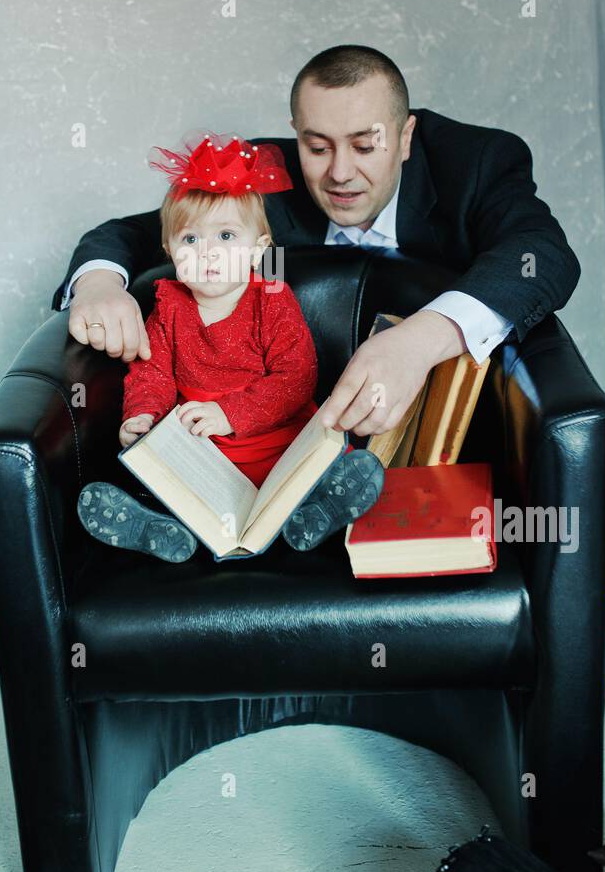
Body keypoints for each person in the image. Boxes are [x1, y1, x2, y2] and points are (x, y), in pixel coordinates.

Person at [53, 44, 581, 439]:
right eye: (317, 147)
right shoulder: (265, 181)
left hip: (450, 439)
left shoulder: (477, 162)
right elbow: (131, 233)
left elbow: (543, 254)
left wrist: (419, 341)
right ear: (295, 133)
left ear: (405, 138)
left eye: (365, 145)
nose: (340, 173)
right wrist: (98, 283)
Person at [77, 131, 385, 562]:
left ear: (258, 250)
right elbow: (152, 372)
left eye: (225, 237)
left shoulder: (273, 301)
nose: (208, 253)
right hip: (207, 453)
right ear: (169, 250)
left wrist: (228, 413)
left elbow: (295, 378)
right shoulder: (167, 306)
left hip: (275, 443)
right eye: (190, 240)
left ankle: (315, 513)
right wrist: (142, 415)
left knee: (313, 472)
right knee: (162, 476)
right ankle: (160, 528)